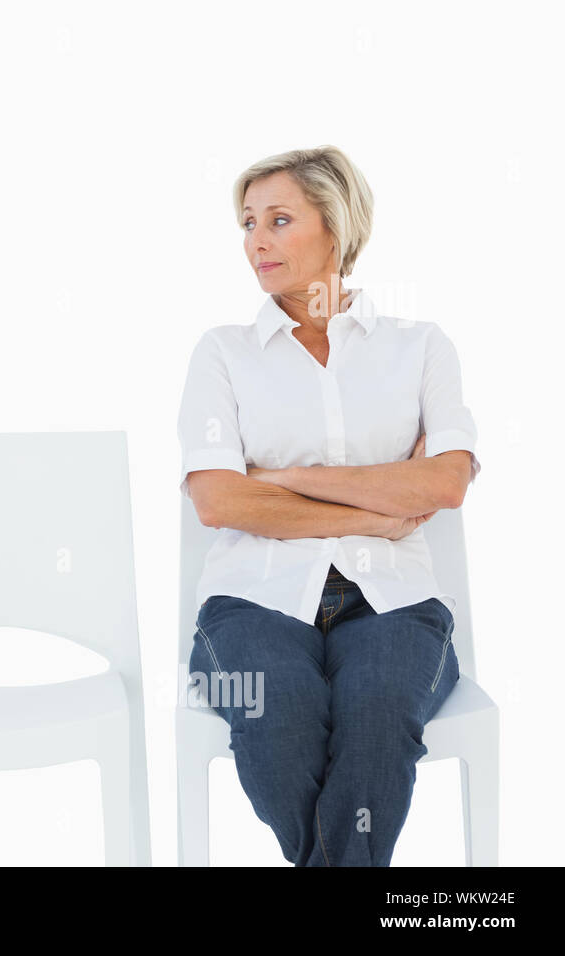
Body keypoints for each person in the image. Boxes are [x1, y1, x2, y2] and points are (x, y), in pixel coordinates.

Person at [177, 145, 481, 866]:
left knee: (377, 716)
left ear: (336, 228)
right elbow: (219, 500)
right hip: (252, 603)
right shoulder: (223, 353)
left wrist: (281, 480)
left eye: (279, 220)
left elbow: (443, 485)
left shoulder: (421, 348)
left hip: (395, 603)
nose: (256, 241)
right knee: (278, 717)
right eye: (247, 222)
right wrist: (376, 504)